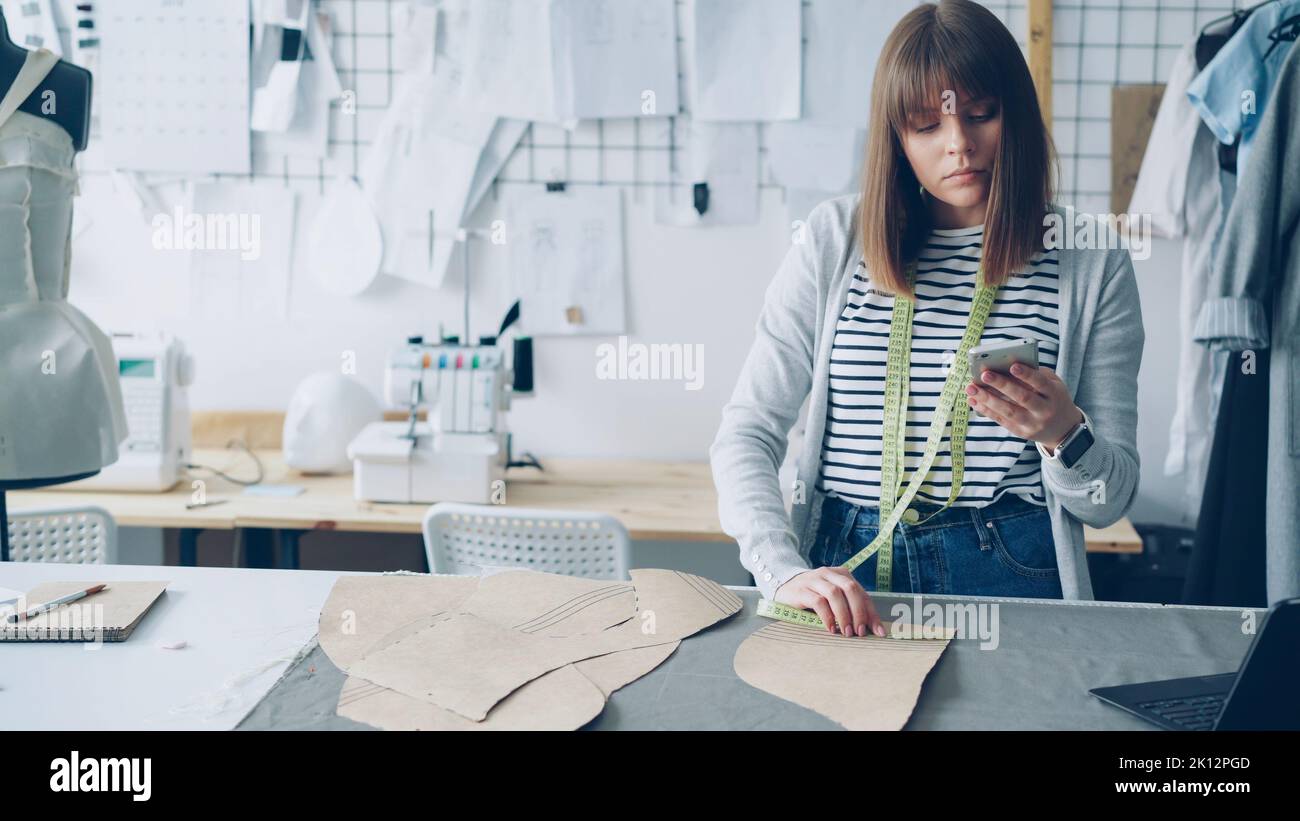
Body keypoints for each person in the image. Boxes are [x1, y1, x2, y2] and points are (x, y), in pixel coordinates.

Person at [710, 0, 1143, 637]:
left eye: (980, 114)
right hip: (840, 568)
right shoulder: (836, 238)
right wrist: (779, 568)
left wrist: (1064, 434)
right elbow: (747, 431)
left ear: (1015, 112)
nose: (959, 145)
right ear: (896, 139)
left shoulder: (1088, 257)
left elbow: (1109, 504)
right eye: (925, 126)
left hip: (1010, 564)